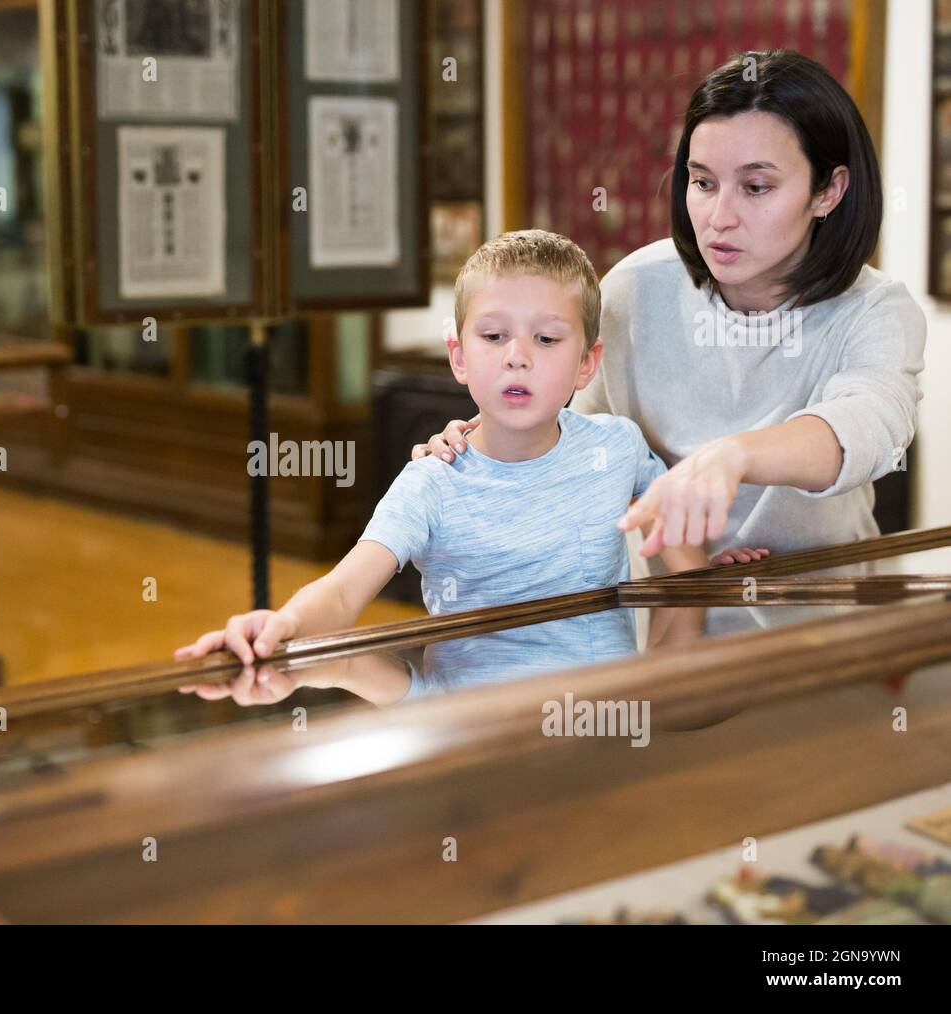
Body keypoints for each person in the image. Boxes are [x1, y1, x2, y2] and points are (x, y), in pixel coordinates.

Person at [415, 51, 924, 633]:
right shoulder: (635, 289)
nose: (719, 217)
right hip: (665, 620)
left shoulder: (874, 310)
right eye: (702, 182)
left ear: (829, 191)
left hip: (816, 630)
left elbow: (867, 426)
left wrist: (730, 458)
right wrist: (479, 445)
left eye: (756, 187)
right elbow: (577, 449)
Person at [176, 230, 734, 704]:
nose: (518, 354)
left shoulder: (618, 447)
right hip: (466, 728)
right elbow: (344, 593)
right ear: (459, 356)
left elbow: (682, 537)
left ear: (587, 362)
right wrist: (285, 630)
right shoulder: (432, 481)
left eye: (546, 338)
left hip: (601, 731)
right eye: (493, 336)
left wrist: (709, 576)